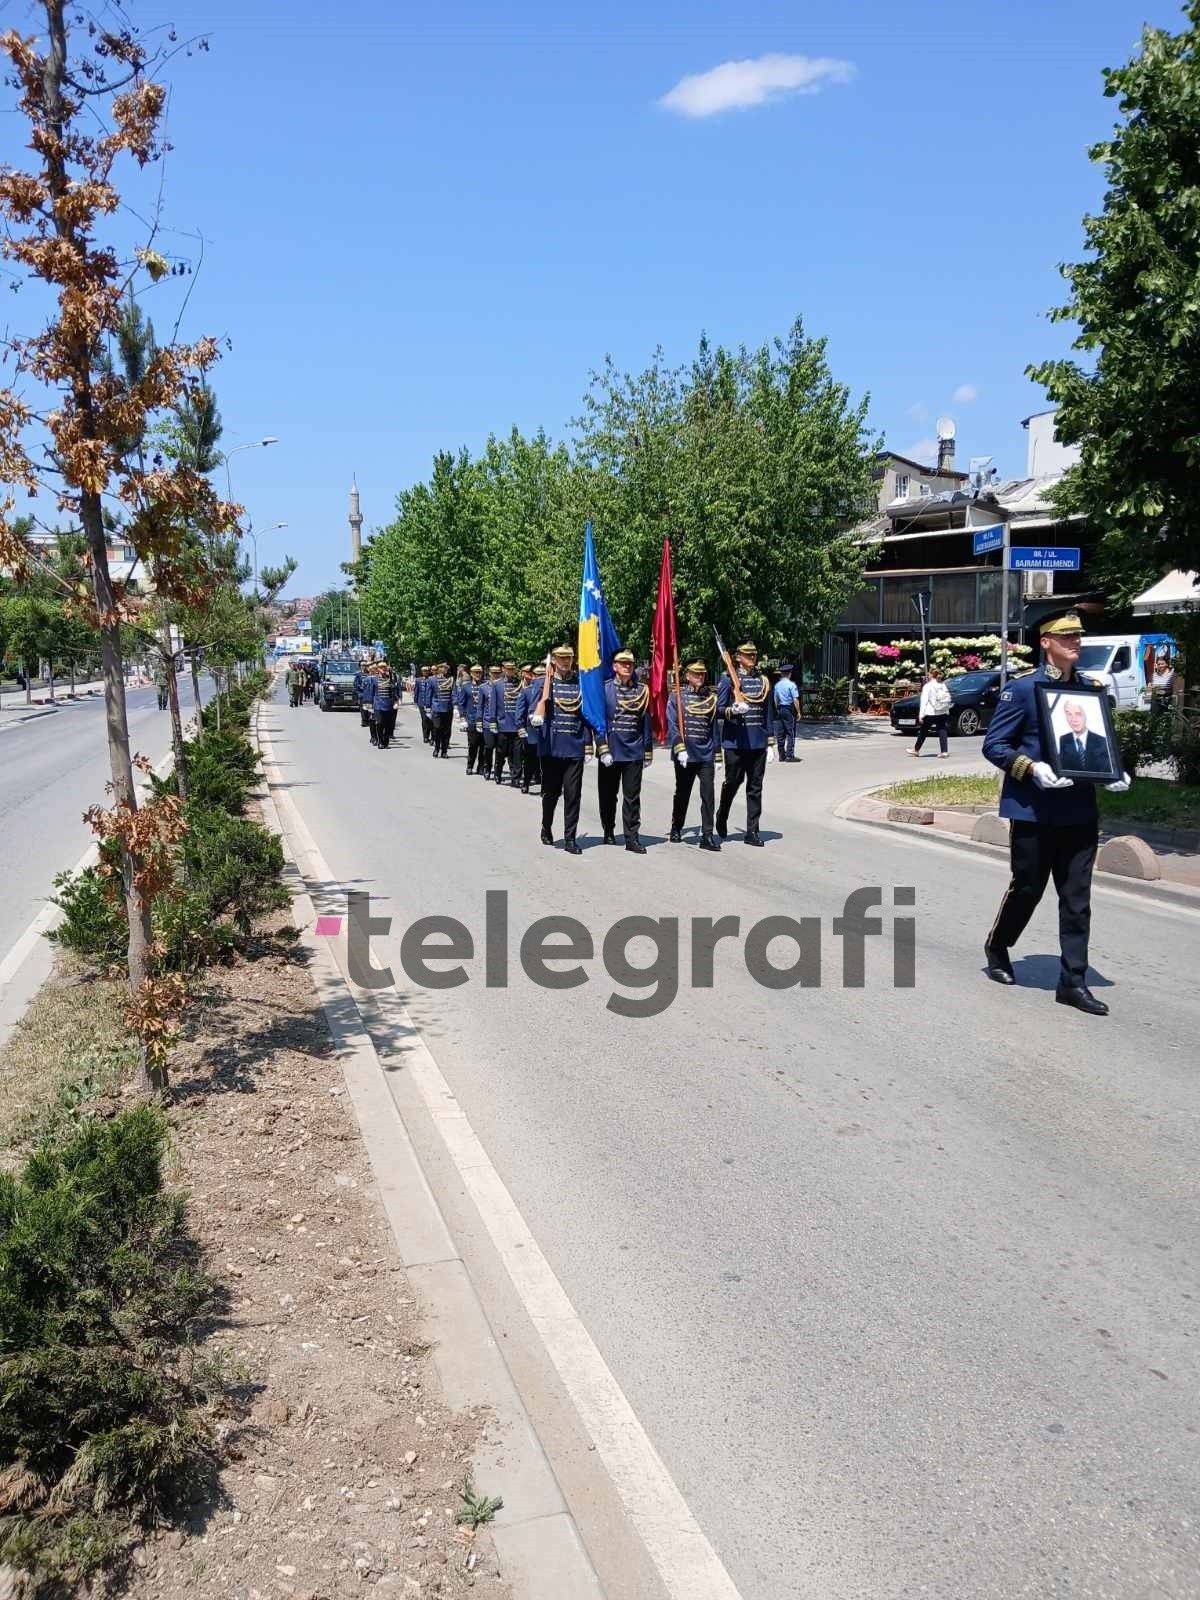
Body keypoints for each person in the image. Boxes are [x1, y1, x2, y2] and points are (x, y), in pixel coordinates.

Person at [981, 611, 1131, 1015]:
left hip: (1078, 810)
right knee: (1028, 888)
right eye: (1066, 636)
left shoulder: (1089, 690)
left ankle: (1073, 981)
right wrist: (1030, 768)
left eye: (1078, 636)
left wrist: (1113, 770)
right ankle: (998, 946)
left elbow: (1096, 743)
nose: (1076, 642)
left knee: (1076, 897)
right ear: (1045, 642)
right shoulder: (1024, 690)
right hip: (1033, 809)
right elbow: (994, 745)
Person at [529, 644, 592, 854]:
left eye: (569, 658)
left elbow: (586, 717)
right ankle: (546, 827)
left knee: (573, 795)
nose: (565, 661)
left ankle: (570, 838)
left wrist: (589, 743)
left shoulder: (580, 684)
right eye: (561, 658)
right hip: (551, 748)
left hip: (574, 747)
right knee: (550, 793)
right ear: (553, 660)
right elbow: (533, 711)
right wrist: (535, 718)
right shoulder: (543, 684)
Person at [716, 641, 775, 846]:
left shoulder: (763, 681)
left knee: (755, 787)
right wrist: (733, 710)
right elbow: (718, 710)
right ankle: (722, 814)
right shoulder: (728, 680)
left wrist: (770, 741)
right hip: (735, 742)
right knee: (733, 782)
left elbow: (767, 713)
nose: (752, 658)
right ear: (738, 657)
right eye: (747, 655)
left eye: (754, 655)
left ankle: (752, 831)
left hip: (757, 742)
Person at [596, 649, 653, 851]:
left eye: (630, 663)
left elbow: (646, 722)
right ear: (614, 666)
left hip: (633, 750)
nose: (627, 666)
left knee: (632, 797)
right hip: (611, 750)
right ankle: (609, 830)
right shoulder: (604, 689)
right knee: (608, 795)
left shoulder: (642, 691)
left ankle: (631, 837)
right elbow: (599, 721)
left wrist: (647, 750)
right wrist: (602, 748)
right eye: (623, 663)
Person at [667, 659, 722, 851]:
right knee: (682, 793)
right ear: (687, 676)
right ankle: (676, 827)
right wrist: (678, 747)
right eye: (696, 674)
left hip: (705, 754)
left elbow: (714, 728)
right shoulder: (677, 697)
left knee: (708, 795)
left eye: (702, 674)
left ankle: (707, 835)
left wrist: (717, 754)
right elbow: (672, 726)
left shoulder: (711, 698)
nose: (700, 677)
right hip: (685, 754)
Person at [1056, 698, 1110, 773]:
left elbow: (1106, 770)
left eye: (1078, 714)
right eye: (1069, 714)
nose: (1073, 719)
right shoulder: (1063, 740)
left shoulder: (1101, 741)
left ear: (1086, 715)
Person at [493, 661, 524, 788]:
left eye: (512, 669)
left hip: (517, 725)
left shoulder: (519, 684)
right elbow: (493, 705)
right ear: (503, 669)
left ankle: (516, 778)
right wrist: (493, 722)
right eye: (508, 669)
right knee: (501, 752)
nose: (511, 671)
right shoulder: (497, 685)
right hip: (503, 724)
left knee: (517, 754)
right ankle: (498, 772)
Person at [911, 667, 952, 757]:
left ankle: (916, 750)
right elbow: (947, 698)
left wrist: (921, 715)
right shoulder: (942, 685)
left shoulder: (927, 686)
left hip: (931, 712)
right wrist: (946, 710)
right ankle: (944, 751)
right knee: (942, 730)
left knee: (923, 731)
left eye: (928, 674)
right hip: (942, 711)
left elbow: (924, 701)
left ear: (930, 675)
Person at [516, 664, 543, 794]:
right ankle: (526, 783)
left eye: (543, 675)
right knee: (530, 758)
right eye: (538, 675)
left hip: (546, 730)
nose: (540, 678)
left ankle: (545, 786)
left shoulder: (550, 690)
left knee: (545, 759)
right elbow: (520, 710)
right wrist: (520, 727)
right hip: (532, 729)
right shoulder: (526, 691)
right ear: (532, 676)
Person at [456, 664, 486, 774]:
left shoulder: (486, 685)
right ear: (472, 674)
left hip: (484, 719)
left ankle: (481, 767)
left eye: (480, 673)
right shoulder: (466, 686)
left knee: (483, 746)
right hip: (472, 719)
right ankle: (470, 765)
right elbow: (461, 703)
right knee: (473, 745)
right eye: (476, 673)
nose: (478, 675)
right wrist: (462, 717)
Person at [428, 662, 456, 756]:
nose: (445, 670)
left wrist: (455, 705)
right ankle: (436, 748)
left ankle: (444, 751)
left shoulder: (451, 680)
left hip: (448, 708)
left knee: (447, 731)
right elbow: (429, 694)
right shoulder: (432, 680)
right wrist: (428, 707)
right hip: (437, 708)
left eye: (446, 668)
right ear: (439, 669)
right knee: (437, 728)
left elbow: (454, 693)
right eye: (443, 668)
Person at [773, 662, 799, 761]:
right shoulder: (791, 685)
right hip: (789, 709)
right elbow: (795, 699)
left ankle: (781, 755)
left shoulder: (777, 685)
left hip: (780, 709)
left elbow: (776, 699)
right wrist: (799, 712)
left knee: (780, 733)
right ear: (790, 673)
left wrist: (777, 709)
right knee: (790, 732)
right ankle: (789, 755)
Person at [479, 665, 502, 779]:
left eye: (498, 673)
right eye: (494, 673)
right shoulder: (483, 688)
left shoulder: (503, 687)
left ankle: (497, 772)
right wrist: (479, 721)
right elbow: (481, 706)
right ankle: (487, 767)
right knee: (489, 746)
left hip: (501, 722)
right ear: (489, 674)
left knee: (499, 749)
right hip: (488, 722)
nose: (496, 675)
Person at [371, 666, 397, 749]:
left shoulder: (390, 679)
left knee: (388, 724)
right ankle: (380, 741)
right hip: (378, 704)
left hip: (388, 704)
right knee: (379, 723)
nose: (383, 670)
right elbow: (371, 693)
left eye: (385, 669)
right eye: (382, 668)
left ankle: (386, 741)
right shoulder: (374, 680)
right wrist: (370, 705)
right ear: (378, 669)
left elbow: (394, 690)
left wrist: (396, 702)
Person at [359, 662, 377, 738]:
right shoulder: (366, 679)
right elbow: (363, 689)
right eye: (373, 669)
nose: (375, 671)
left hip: (378, 701)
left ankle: (377, 736)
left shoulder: (379, 679)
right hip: (369, 700)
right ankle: (373, 737)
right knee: (372, 719)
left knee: (378, 719)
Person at [416, 666, 433, 745]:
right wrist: (416, 701)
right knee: (424, 719)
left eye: (426, 671)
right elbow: (417, 691)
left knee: (430, 720)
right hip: (421, 703)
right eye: (424, 671)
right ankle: (425, 736)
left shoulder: (431, 680)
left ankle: (430, 736)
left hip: (430, 703)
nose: (425, 672)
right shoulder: (418, 680)